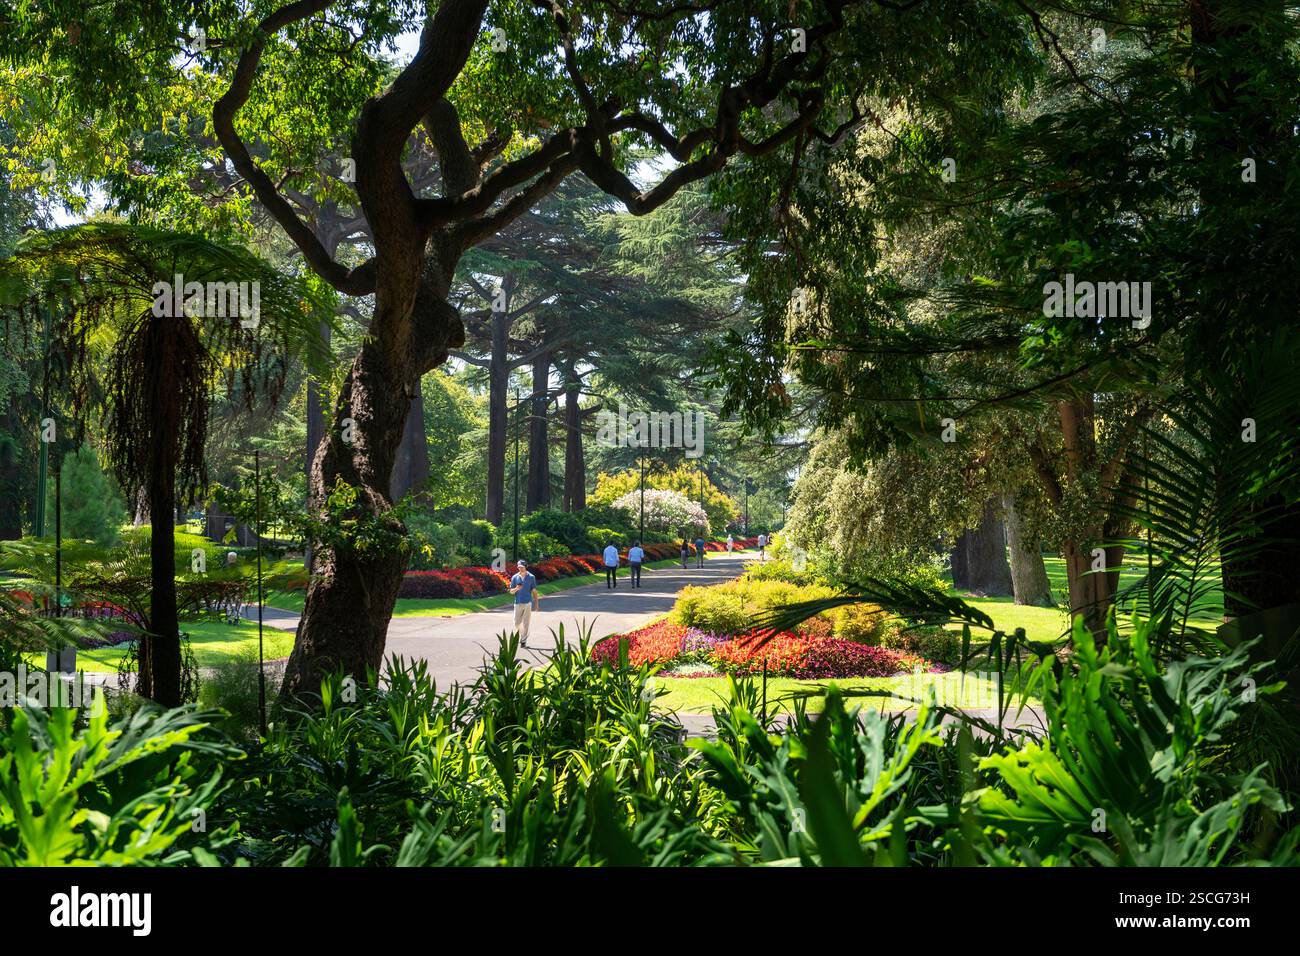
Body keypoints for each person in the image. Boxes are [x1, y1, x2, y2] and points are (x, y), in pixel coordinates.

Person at [509, 560, 539, 647]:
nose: (520, 568)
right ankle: (524, 634)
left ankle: (523, 640)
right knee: (516, 623)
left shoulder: (531, 577)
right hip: (517, 603)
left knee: (526, 622)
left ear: (525, 566)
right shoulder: (515, 577)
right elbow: (511, 591)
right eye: (518, 567)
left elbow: (534, 591)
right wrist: (516, 589)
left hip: (527, 603)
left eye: (521, 567)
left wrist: (536, 604)